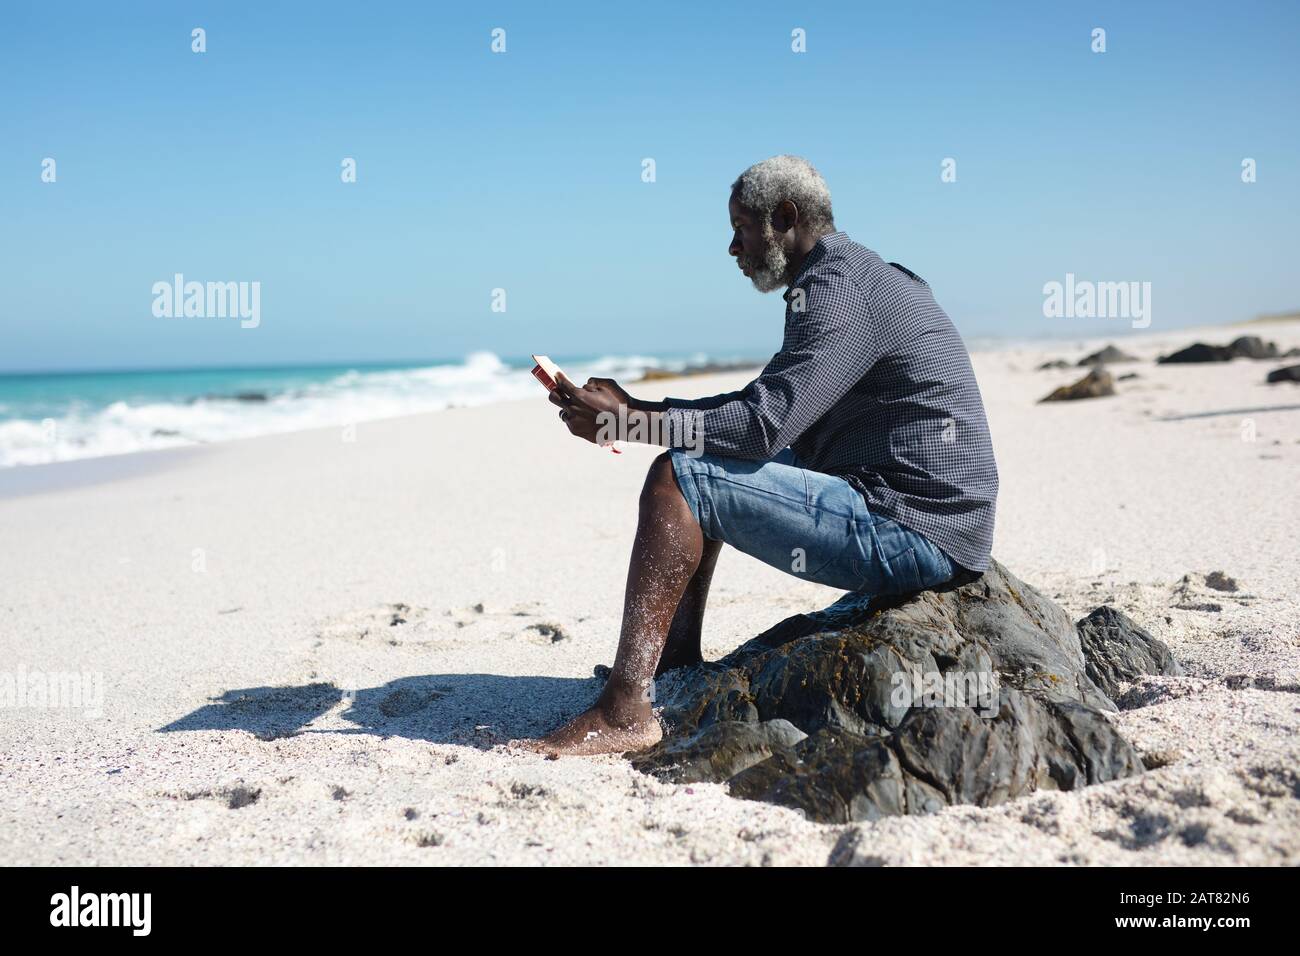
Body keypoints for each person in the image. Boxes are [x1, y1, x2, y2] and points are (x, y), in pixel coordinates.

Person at [517, 155, 998, 756]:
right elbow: (765, 410)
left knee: (681, 475)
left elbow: (761, 426)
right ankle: (672, 666)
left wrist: (632, 422)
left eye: (741, 228)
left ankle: (625, 710)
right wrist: (639, 405)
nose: (732, 247)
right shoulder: (850, 276)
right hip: (933, 515)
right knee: (705, 459)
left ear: (786, 218)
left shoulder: (837, 291)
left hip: (914, 527)